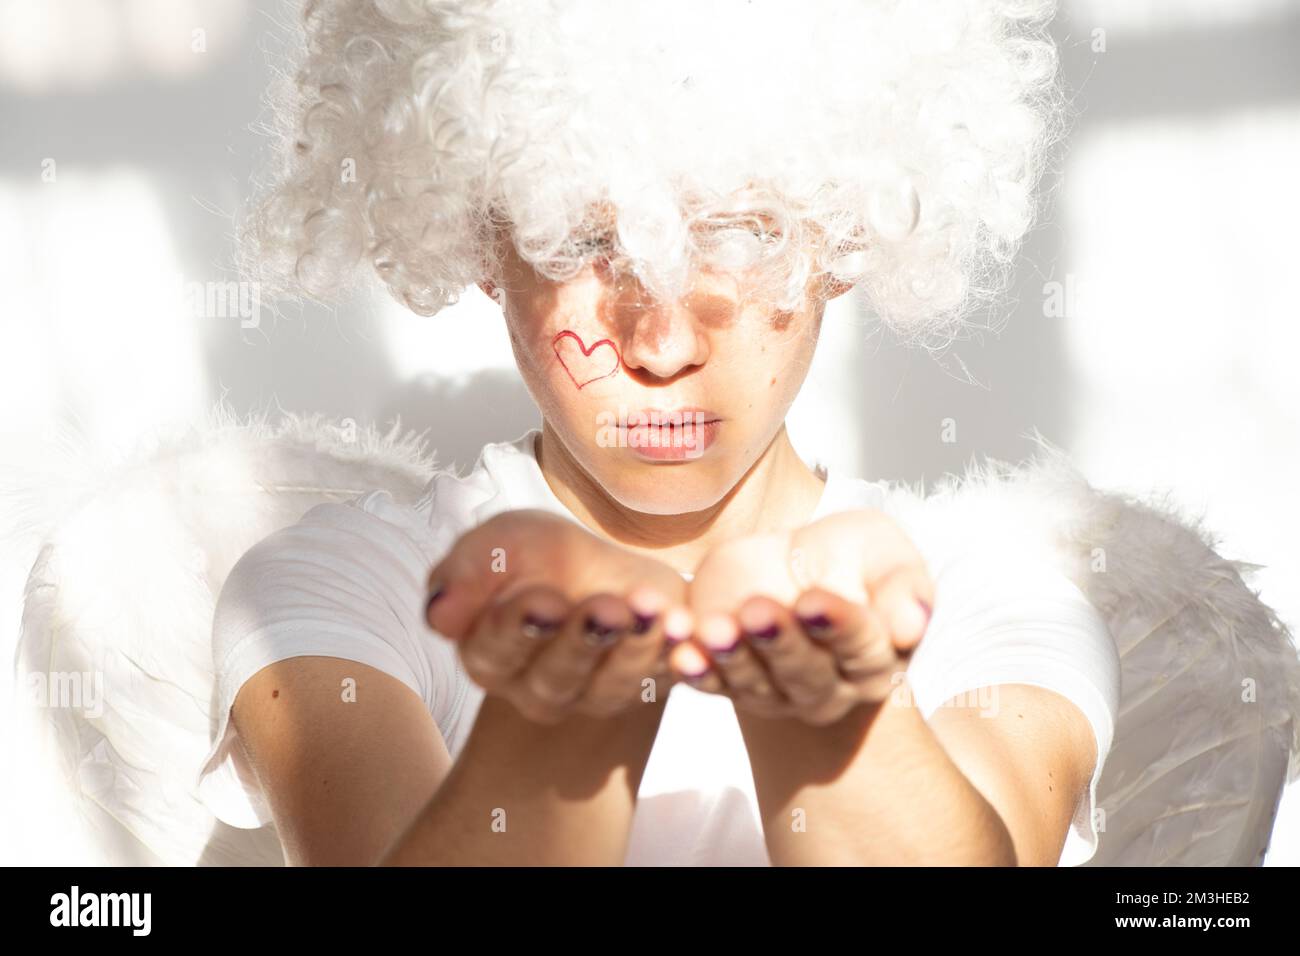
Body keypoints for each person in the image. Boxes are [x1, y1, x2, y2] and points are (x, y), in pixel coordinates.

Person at [196, 0, 1119, 865]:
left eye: (741, 233)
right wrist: (563, 720)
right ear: (482, 242)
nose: (662, 342)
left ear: (839, 241)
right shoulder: (346, 589)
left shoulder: (987, 597)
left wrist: (835, 710)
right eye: (581, 241)